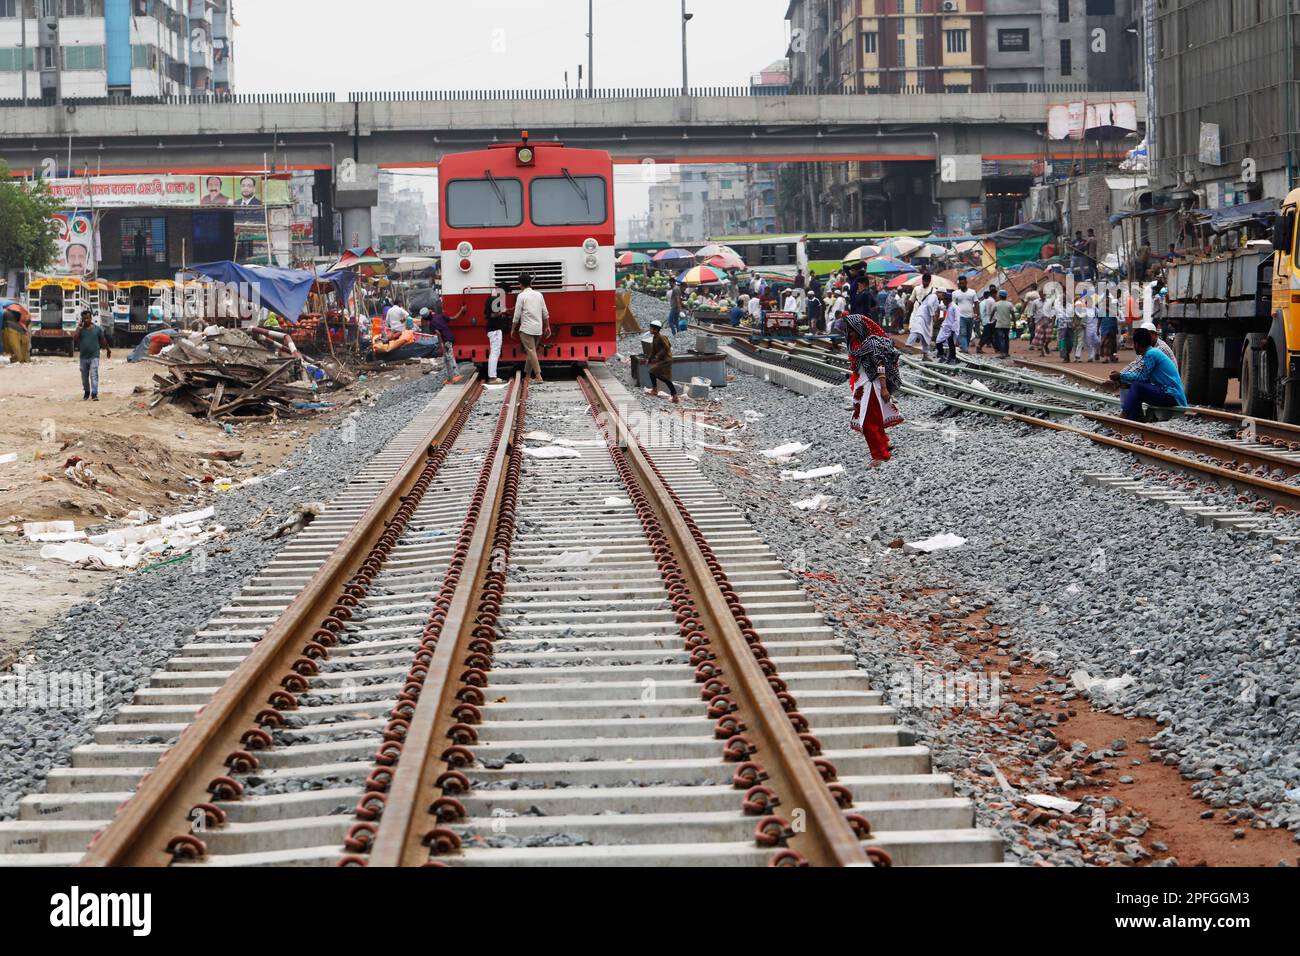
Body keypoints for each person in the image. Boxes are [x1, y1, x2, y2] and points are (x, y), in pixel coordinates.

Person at [844, 313, 903, 467]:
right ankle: (884, 444)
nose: (849, 334)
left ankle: (880, 455)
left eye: (852, 330)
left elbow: (880, 365)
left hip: (872, 385)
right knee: (875, 419)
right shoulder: (860, 344)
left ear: (860, 328)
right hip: (864, 385)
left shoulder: (871, 344)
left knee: (867, 422)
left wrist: (884, 388)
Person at [1112, 327, 1187, 420]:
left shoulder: (1151, 354)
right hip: (1168, 392)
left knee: (1137, 386)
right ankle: (1135, 418)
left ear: (1136, 344)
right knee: (1135, 387)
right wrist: (1123, 379)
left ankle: (1125, 414)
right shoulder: (1152, 352)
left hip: (1172, 394)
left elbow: (1142, 378)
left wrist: (1121, 376)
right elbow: (1144, 378)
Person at [511, 272, 550, 384]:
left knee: (531, 351)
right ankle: (527, 376)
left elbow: (517, 315)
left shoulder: (521, 296)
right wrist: (547, 326)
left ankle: (538, 375)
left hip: (526, 329)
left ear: (520, 284)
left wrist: (513, 329)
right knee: (531, 352)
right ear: (530, 282)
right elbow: (545, 313)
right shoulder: (539, 295)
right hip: (538, 328)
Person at [421, 306, 466, 384]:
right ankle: (451, 377)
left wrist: (441, 346)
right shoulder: (440, 316)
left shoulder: (432, 324)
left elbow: (438, 334)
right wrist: (461, 310)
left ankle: (456, 375)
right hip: (449, 337)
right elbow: (454, 318)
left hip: (445, 340)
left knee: (449, 358)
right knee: (447, 359)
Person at [76, 309, 110, 401]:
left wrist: (108, 350)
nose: (86, 320)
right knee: (84, 376)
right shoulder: (81, 330)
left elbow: (103, 340)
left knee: (94, 374)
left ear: (91, 318)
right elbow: (74, 338)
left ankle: (94, 393)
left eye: (88, 318)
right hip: (83, 357)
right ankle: (87, 392)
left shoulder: (97, 329)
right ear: (82, 319)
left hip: (94, 356)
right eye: (84, 318)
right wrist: (78, 327)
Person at [644, 318, 678, 404]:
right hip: (663, 360)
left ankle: (655, 390)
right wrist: (649, 359)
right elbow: (653, 351)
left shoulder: (661, 337)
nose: (650, 329)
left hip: (666, 360)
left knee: (653, 372)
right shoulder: (655, 338)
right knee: (664, 378)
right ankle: (674, 396)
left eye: (651, 328)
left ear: (656, 330)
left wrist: (658, 356)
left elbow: (667, 347)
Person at [907, 282, 939, 360]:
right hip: (921, 316)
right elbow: (929, 305)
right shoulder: (933, 295)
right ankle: (908, 346)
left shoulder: (936, 299)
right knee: (916, 330)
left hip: (927, 320)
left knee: (927, 337)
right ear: (939, 293)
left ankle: (925, 355)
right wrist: (933, 315)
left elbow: (938, 306)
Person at [952, 275, 979, 354]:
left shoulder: (972, 292)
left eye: (963, 283)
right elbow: (953, 305)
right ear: (959, 284)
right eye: (960, 283)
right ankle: (965, 349)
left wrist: (978, 314)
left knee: (968, 334)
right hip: (960, 316)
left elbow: (976, 303)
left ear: (966, 283)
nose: (962, 285)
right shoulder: (955, 293)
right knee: (962, 333)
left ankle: (964, 347)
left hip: (970, 316)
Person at [935, 290, 960, 364]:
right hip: (945, 328)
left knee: (951, 344)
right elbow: (940, 307)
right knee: (938, 341)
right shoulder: (948, 306)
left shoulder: (955, 307)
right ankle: (942, 356)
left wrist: (953, 330)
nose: (943, 302)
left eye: (944, 300)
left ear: (948, 299)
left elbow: (957, 320)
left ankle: (952, 358)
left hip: (951, 329)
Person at [992, 289, 1014, 357]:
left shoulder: (996, 304)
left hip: (999, 324)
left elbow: (992, 312)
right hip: (1007, 324)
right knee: (1006, 338)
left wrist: (990, 319)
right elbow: (1013, 314)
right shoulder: (1009, 304)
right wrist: (1015, 323)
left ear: (1000, 296)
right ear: (1006, 296)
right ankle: (1006, 353)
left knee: (1000, 338)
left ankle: (1002, 353)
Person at [1054, 295, 1075, 361]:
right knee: (1062, 341)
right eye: (1062, 299)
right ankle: (1065, 357)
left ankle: (1068, 353)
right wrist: (1052, 324)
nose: (1064, 300)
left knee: (1070, 342)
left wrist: (1074, 323)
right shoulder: (1057, 306)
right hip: (1061, 326)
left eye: (1065, 299)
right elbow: (1054, 315)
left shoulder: (1071, 306)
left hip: (1070, 326)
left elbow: (1074, 315)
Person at [976, 288, 996, 353]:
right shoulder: (991, 301)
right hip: (989, 320)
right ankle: (979, 346)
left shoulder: (982, 302)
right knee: (987, 335)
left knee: (990, 335)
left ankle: (997, 348)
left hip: (985, 320)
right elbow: (991, 311)